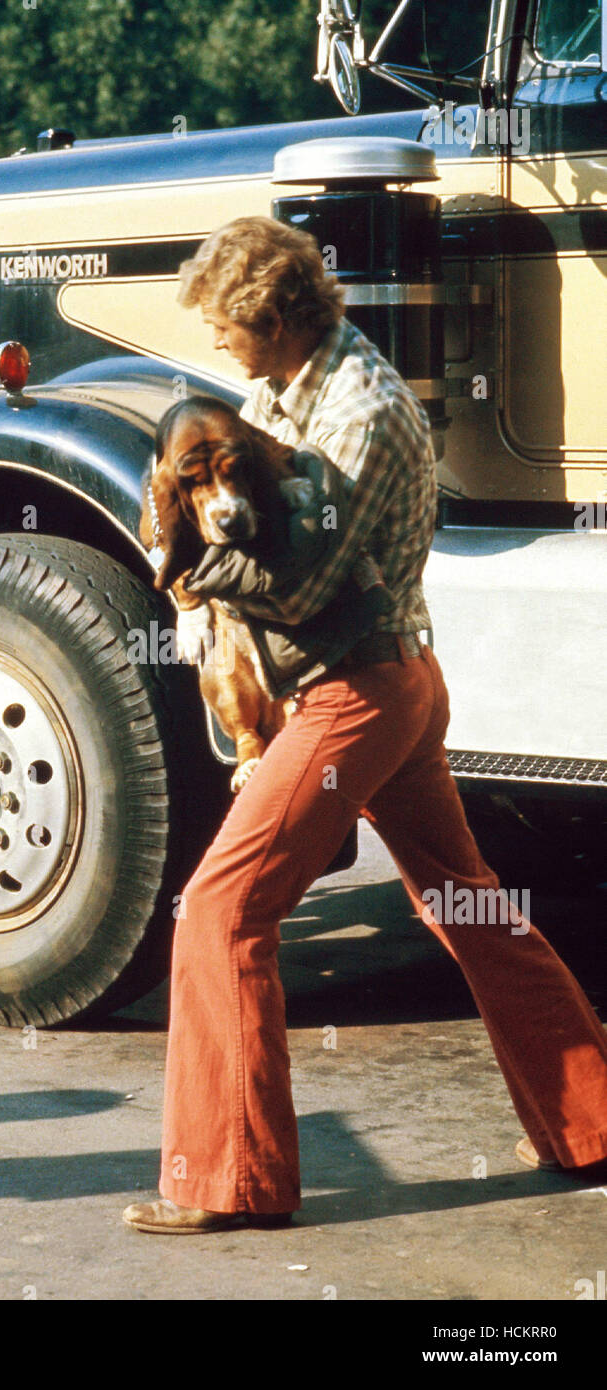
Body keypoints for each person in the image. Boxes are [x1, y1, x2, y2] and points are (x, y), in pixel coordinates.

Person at [122, 215, 607, 1234]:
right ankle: (591, 1122)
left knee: (218, 910)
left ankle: (231, 1180)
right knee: (465, 905)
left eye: (222, 323)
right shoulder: (280, 391)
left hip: (359, 692)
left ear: (271, 316)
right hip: (385, 682)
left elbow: (301, 590)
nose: (213, 342)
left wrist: (180, 567)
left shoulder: (363, 411)